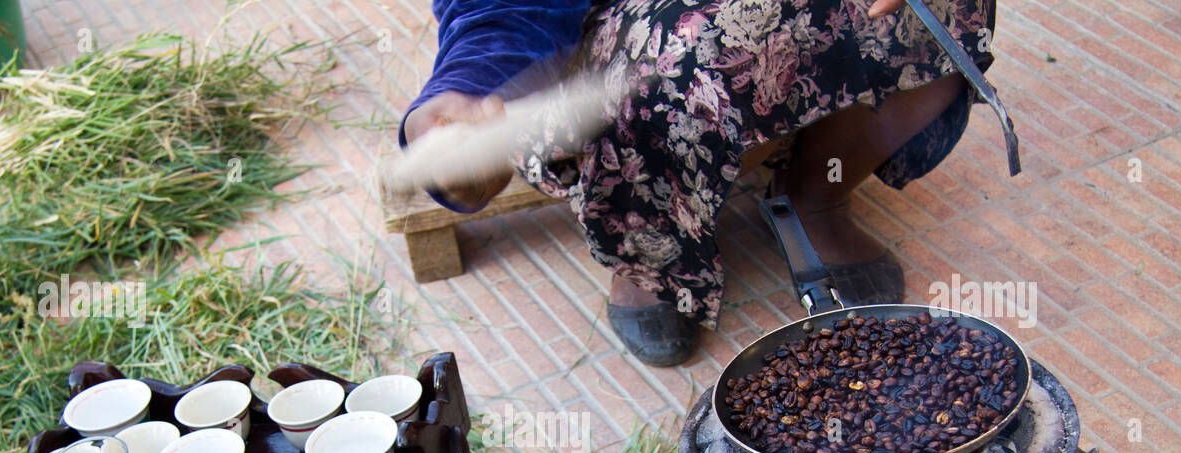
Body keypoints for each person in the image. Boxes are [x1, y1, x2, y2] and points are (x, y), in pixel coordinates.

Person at [401, 0, 996, 366]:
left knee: (934, 4)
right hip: (615, 27)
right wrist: (471, 89)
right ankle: (649, 248)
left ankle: (815, 194)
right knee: (686, 58)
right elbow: (501, 12)